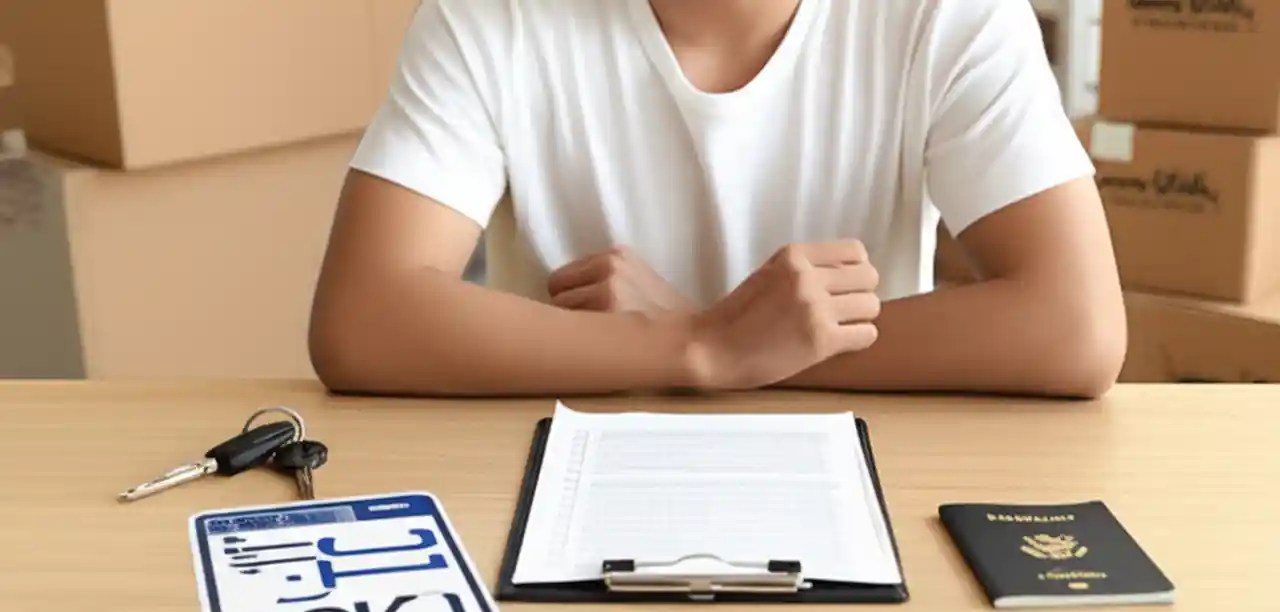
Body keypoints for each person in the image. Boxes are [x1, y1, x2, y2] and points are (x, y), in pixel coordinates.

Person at [310, 0, 1125, 398]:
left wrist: (721, 345)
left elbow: (1077, 327)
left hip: (862, 463)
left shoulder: (949, 13)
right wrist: (701, 345)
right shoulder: (490, 15)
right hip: (570, 463)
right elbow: (362, 317)